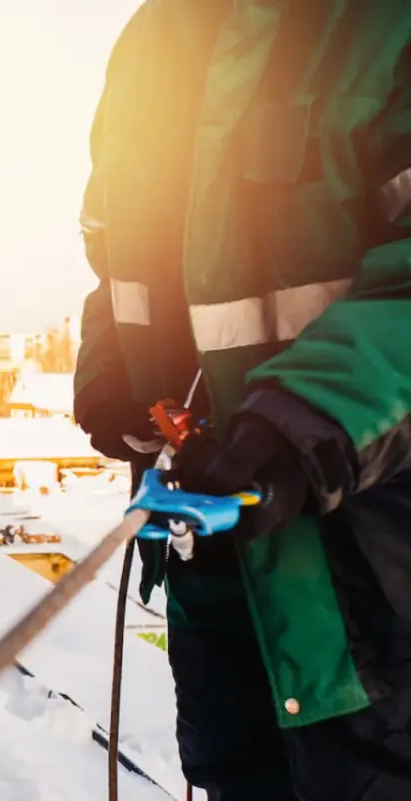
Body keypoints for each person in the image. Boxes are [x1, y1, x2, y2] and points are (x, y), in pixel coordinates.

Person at [75, 3, 411, 799]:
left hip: (374, 574)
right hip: (216, 574)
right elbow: (112, 252)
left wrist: (308, 420)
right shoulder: (151, 42)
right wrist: (113, 365)